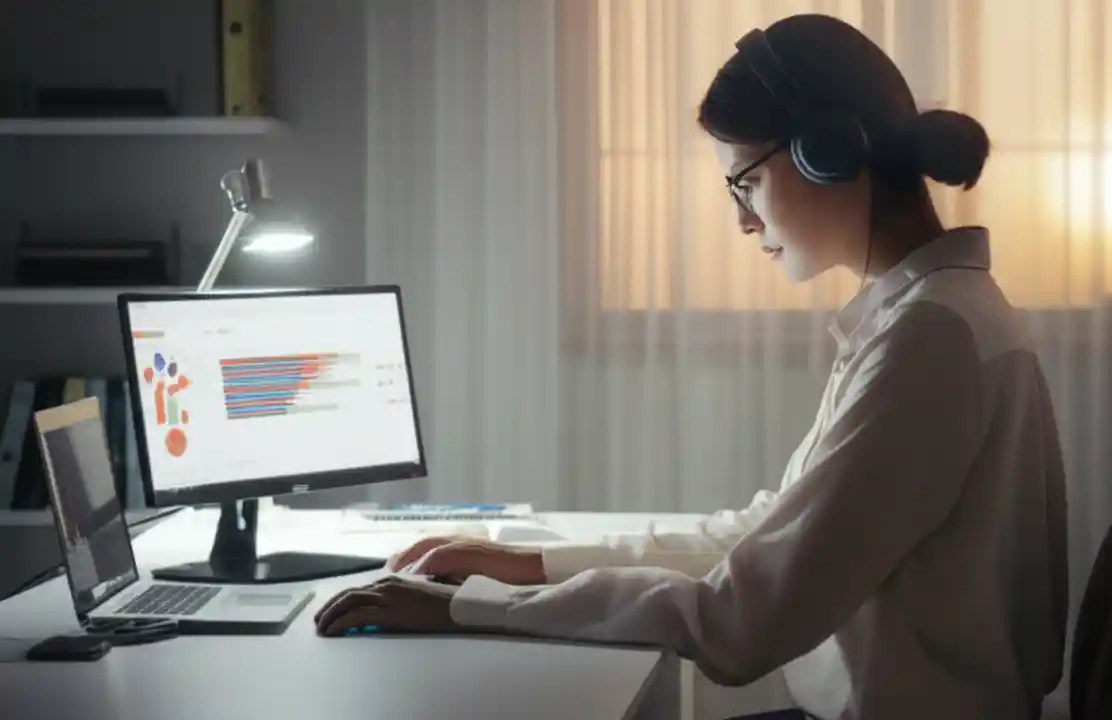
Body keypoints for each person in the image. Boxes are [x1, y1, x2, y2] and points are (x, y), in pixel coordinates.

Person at [315, 14, 1067, 720]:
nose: (742, 219)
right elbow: (763, 533)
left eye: (744, 182)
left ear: (828, 153)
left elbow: (736, 626)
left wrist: (465, 611)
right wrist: (531, 563)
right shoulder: (931, 315)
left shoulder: (929, 342)